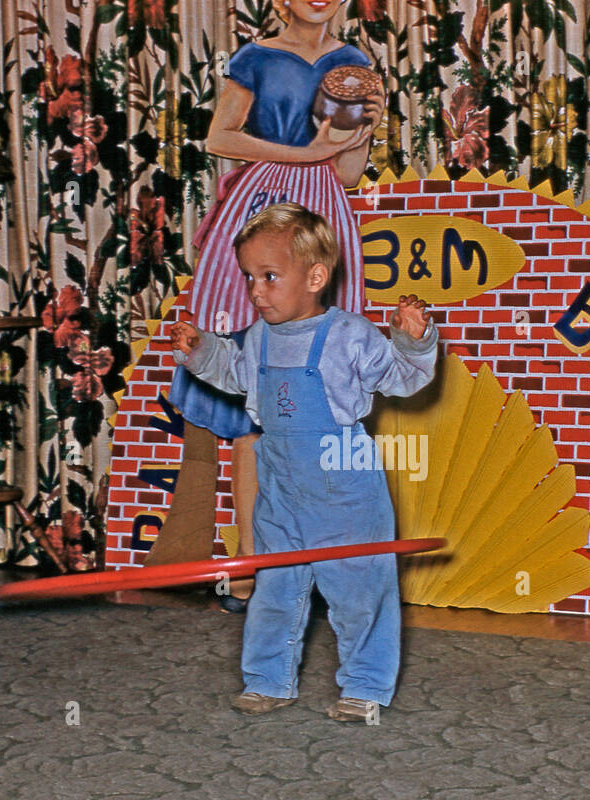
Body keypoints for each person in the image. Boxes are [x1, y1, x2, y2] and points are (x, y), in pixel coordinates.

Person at [171, 203, 435, 722]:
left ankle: (364, 685)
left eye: (270, 276)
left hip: (345, 493)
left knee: (359, 591)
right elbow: (232, 372)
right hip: (282, 488)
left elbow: (405, 378)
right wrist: (200, 350)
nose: (256, 291)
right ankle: (268, 679)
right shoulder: (260, 336)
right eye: (250, 277)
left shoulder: (350, 335)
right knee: (275, 589)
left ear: (316, 276)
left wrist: (412, 339)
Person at [164, 0, 385, 611]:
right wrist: (308, 154)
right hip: (259, 211)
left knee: (312, 398)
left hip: (321, 217)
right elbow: (220, 136)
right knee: (251, 403)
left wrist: (357, 134)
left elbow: (346, 173)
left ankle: (303, 570)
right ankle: (247, 568)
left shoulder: (352, 64)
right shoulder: (256, 57)